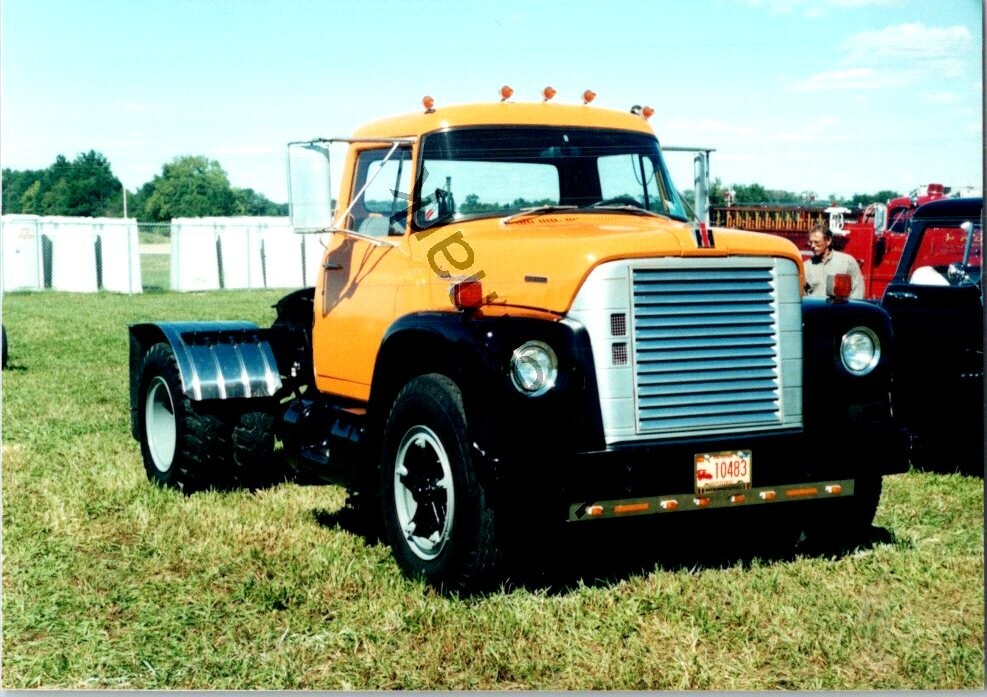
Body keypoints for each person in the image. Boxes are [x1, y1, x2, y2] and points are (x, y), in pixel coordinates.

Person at [803, 222, 864, 298]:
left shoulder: (847, 262)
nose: (812, 246)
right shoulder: (806, 267)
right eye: (810, 242)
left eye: (816, 242)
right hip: (816, 309)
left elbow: (857, 293)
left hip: (840, 309)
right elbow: (803, 296)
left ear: (828, 241)